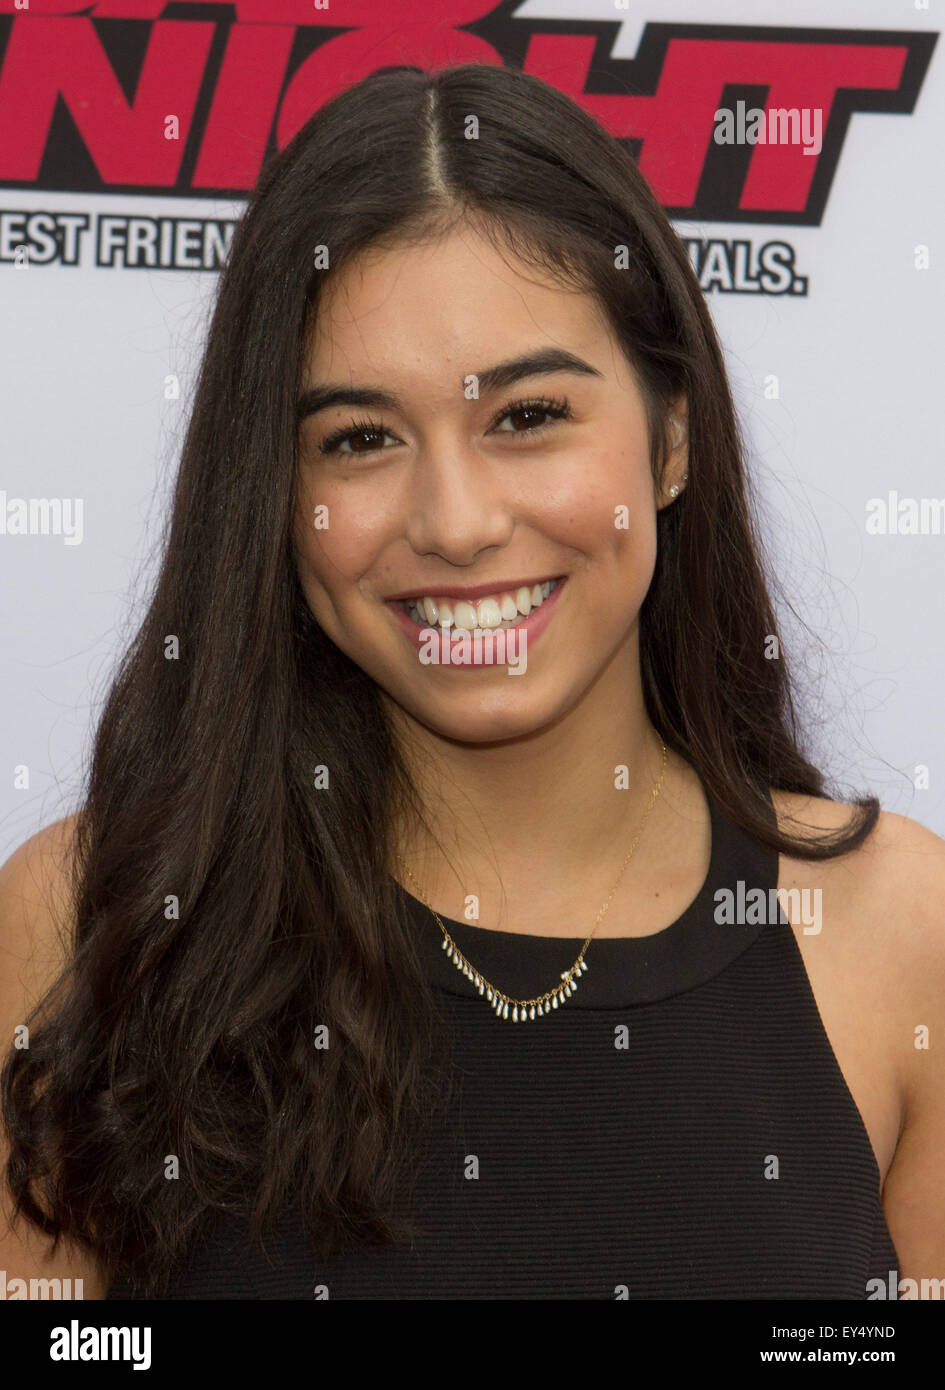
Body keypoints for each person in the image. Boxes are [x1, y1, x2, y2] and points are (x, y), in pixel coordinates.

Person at [2, 61, 943, 1303]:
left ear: (671, 439)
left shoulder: (899, 935)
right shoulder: (89, 922)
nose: (453, 522)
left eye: (527, 415)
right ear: (277, 497)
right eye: (362, 438)